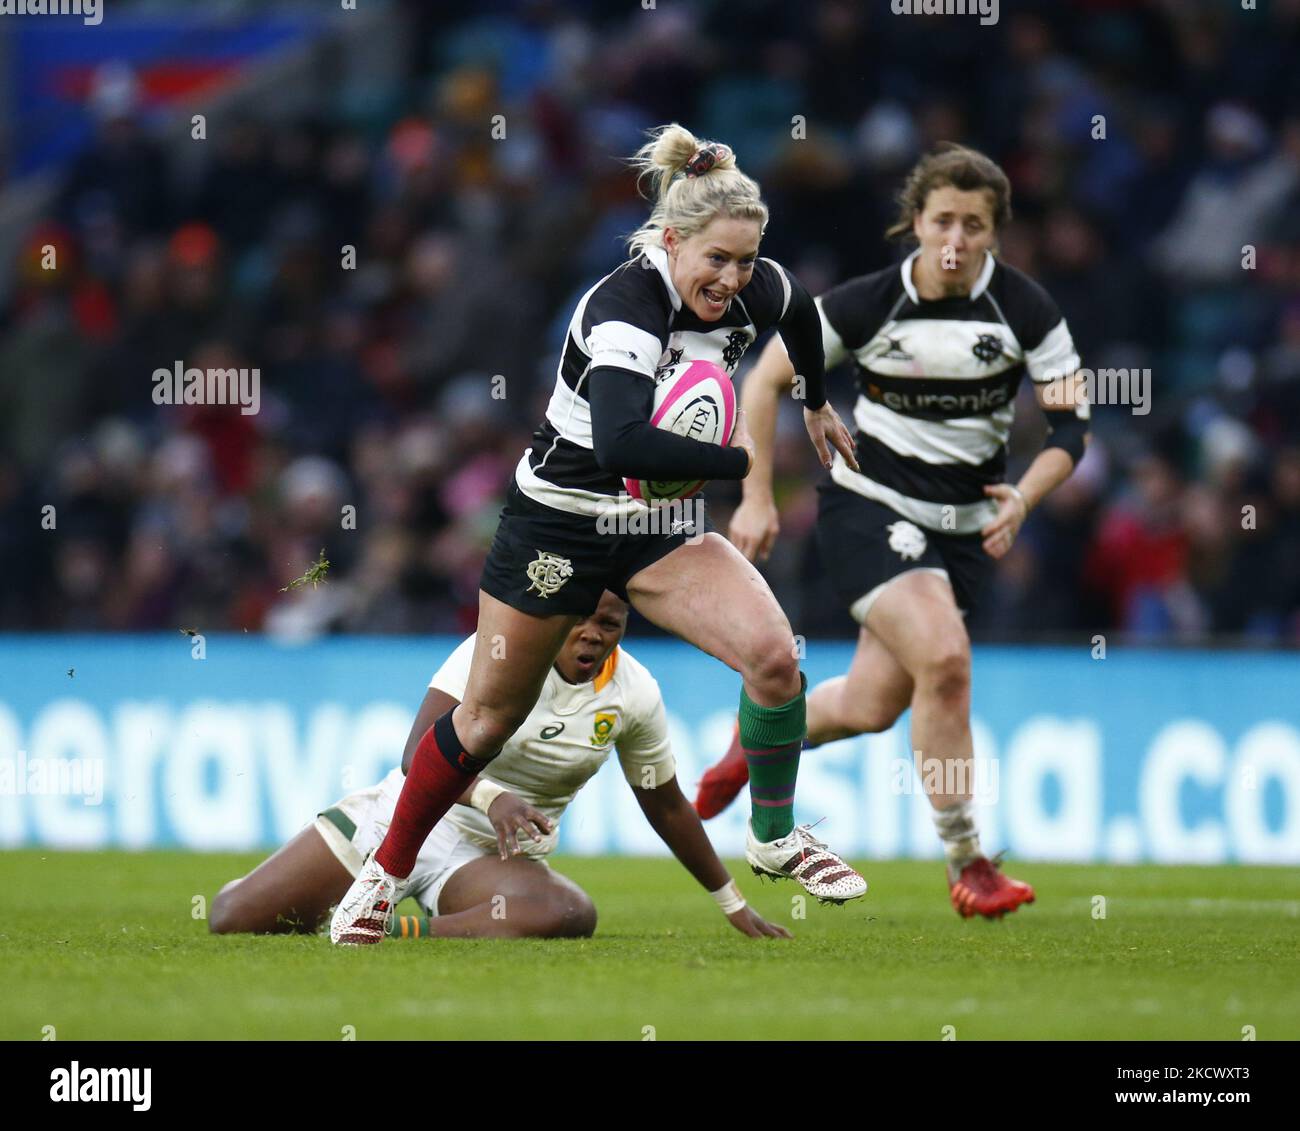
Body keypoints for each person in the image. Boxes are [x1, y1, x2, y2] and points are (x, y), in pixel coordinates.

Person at [329, 123, 867, 945]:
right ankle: (382, 874)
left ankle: (774, 834)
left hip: (655, 525)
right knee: (483, 721)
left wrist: (816, 400)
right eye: (714, 260)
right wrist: (740, 460)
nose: (731, 280)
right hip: (561, 522)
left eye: (745, 261)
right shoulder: (622, 306)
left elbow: (801, 314)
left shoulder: (758, 288)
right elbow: (620, 447)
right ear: (670, 239)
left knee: (772, 655)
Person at [696, 144, 1090, 920]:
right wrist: (756, 496)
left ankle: (764, 745)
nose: (956, 238)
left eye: (973, 224)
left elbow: (1072, 427)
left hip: (965, 533)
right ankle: (970, 861)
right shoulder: (871, 302)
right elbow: (766, 377)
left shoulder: (1028, 310)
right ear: (916, 223)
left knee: (874, 704)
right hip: (870, 507)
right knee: (945, 659)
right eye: (942, 219)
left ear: (994, 234)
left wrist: (1025, 496)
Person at [212, 594, 790, 940]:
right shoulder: (497, 651)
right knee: (232, 918)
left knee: (566, 911)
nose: (592, 635)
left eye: (609, 624)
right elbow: (417, 754)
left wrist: (732, 903)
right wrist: (494, 799)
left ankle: (389, 927)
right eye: (581, 619)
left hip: (487, 859)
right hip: (407, 816)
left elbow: (664, 805)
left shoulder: (635, 693)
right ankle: (341, 897)